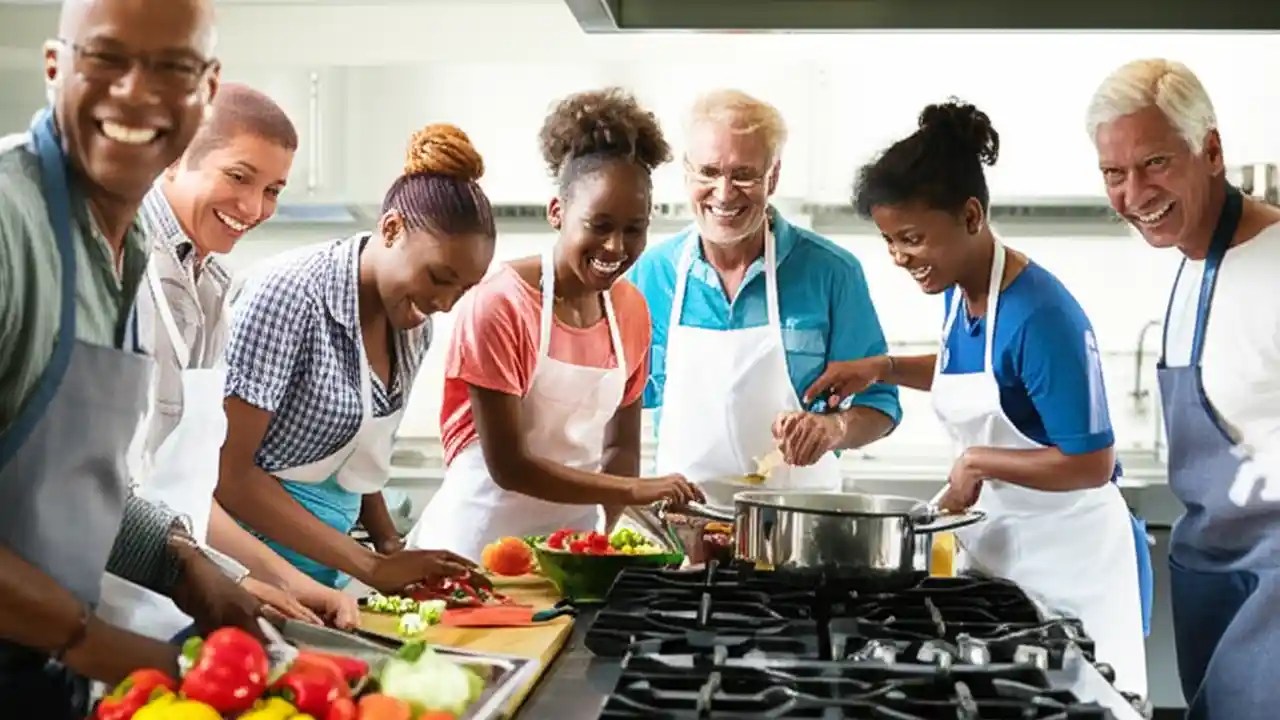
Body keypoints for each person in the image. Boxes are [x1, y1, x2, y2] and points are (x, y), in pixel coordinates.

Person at [806, 99, 1149, 697]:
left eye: (911, 238)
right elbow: (985, 375)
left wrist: (977, 463)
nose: (900, 257)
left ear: (970, 215)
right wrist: (881, 367)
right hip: (1004, 559)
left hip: (1070, 565)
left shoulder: (1042, 314)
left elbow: (1091, 463)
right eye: (889, 241)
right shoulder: (961, 291)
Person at [0, 0, 266, 715]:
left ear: (205, 91)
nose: (135, 91)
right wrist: (91, 639)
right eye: (106, 59)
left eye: (172, 67)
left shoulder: (125, 253)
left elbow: (61, 484)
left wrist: (180, 559)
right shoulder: (7, 225)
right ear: (56, 68)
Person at [97, 82, 360, 643]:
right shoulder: (114, 269)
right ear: (172, 160)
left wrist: (285, 580)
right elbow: (88, 486)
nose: (254, 207)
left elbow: (189, 490)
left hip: (180, 609)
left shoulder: (212, 286)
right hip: (102, 612)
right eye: (238, 176)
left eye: (273, 190)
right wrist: (227, 577)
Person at [405, 88, 704, 561]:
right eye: (599, 225)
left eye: (634, 228)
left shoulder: (631, 310)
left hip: (570, 549)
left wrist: (609, 538)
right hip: (479, 546)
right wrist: (634, 490)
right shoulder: (500, 305)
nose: (615, 247)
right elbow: (509, 467)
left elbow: (619, 447)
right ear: (558, 213)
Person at [216, 122, 497, 593]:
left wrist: (391, 546)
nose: (445, 303)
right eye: (438, 277)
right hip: (246, 574)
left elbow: (357, 458)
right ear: (391, 229)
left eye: (462, 289)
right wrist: (368, 567)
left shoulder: (412, 326)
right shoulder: (290, 296)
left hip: (322, 574)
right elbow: (229, 474)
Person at [1087, 59, 1280, 719]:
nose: (1135, 193)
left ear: (1213, 151)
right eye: (1115, 174)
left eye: (1155, 164)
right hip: (1216, 596)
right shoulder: (1191, 265)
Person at [626, 89, 901, 508]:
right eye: (709, 171)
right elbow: (615, 401)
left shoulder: (832, 273)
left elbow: (881, 405)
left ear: (773, 176)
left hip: (802, 527)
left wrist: (835, 428)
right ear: (686, 173)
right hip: (685, 527)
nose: (723, 192)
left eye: (744, 174)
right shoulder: (652, 274)